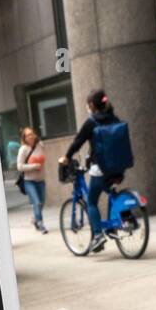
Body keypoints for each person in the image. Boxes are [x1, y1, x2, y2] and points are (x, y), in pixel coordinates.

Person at [59, 90, 121, 254]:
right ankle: (113, 229)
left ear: (92, 105)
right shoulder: (114, 118)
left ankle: (98, 235)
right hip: (118, 166)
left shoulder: (92, 122)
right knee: (111, 192)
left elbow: (78, 142)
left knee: (92, 201)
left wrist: (67, 156)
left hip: (100, 168)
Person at [16, 127, 48, 234]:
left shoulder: (41, 145)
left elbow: (43, 159)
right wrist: (34, 166)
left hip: (41, 179)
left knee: (42, 202)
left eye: (32, 134)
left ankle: (35, 218)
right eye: (28, 135)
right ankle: (40, 223)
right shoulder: (23, 149)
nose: (30, 136)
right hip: (29, 181)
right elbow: (19, 166)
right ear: (24, 138)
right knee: (37, 202)